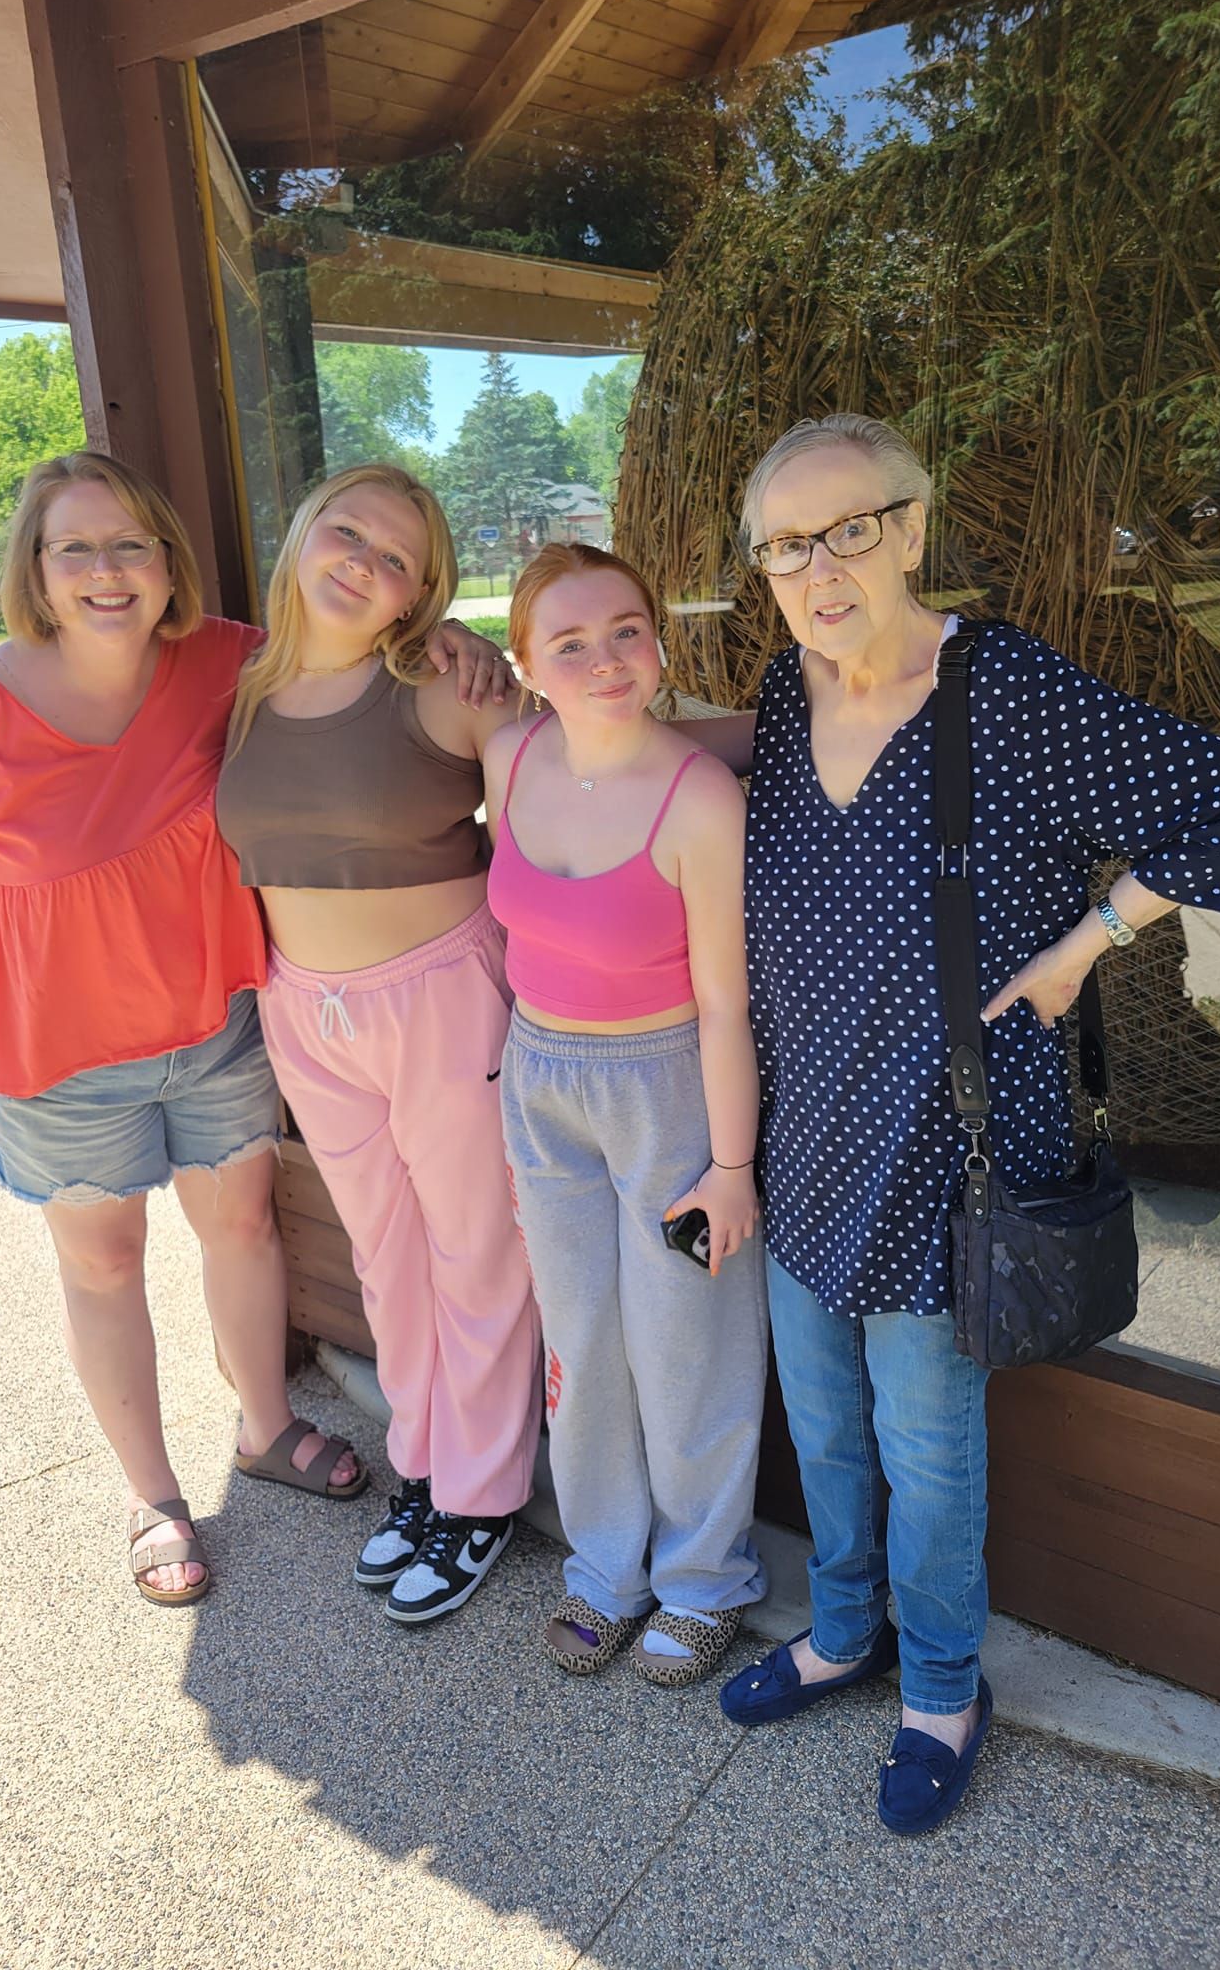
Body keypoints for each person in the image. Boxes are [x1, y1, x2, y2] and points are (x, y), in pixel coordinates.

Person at [708, 413, 1220, 1832]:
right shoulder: (786, 696)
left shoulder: (1005, 690)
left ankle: (945, 1687)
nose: (821, 567)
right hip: (807, 1136)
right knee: (829, 1433)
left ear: (913, 527)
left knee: (927, 1448)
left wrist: (1091, 937)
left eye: (852, 528)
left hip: (944, 1151)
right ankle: (845, 1634)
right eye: (789, 546)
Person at [0, 450, 505, 1607]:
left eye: (131, 546)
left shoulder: (229, 663)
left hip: (218, 1022)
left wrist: (462, 641)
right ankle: (155, 1495)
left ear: (169, 564)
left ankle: (268, 1427)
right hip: (54, 1050)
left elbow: (363, 650)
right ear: (38, 571)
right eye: (76, 548)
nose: (107, 571)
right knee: (103, 1261)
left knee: (247, 1227)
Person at [215, 463, 542, 1627]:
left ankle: (485, 1491)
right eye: (348, 531)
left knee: (476, 1247)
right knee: (386, 1254)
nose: (365, 560)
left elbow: (588, 762)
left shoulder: (440, 687)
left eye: (398, 558)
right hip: (306, 1007)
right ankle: (424, 1462)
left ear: (420, 595)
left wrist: (772, 732)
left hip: (445, 997)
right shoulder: (236, 682)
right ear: (303, 532)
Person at [486, 542, 766, 1686]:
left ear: (658, 639)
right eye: (570, 641)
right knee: (583, 1333)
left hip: (667, 1092)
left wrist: (732, 1165)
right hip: (541, 1079)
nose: (606, 659)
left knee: (683, 1340)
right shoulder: (506, 755)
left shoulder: (700, 797)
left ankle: (705, 1581)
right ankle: (606, 1567)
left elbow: (722, 1005)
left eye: (627, 630)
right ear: (526, 663)